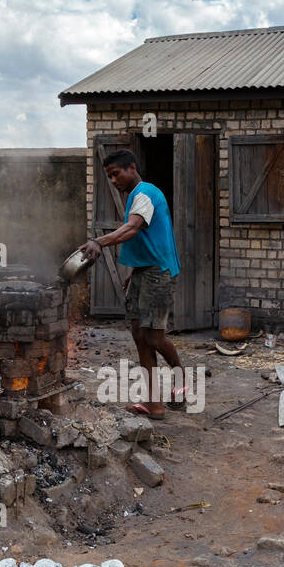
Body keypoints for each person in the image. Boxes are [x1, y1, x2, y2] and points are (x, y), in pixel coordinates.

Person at [80, 149, 183, 418]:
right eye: (109, 176)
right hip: (143, 271)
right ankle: (154, 404)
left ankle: (181, 378)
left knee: (154, 336)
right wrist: (134, 271)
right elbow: (144, 239)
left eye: (116, 174)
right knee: (139, 336)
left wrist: (98, 241)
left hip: (158, 272)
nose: (113, 180)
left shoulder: (145, 193)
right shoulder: (135, 197)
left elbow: (133, 228)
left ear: (131, 169)